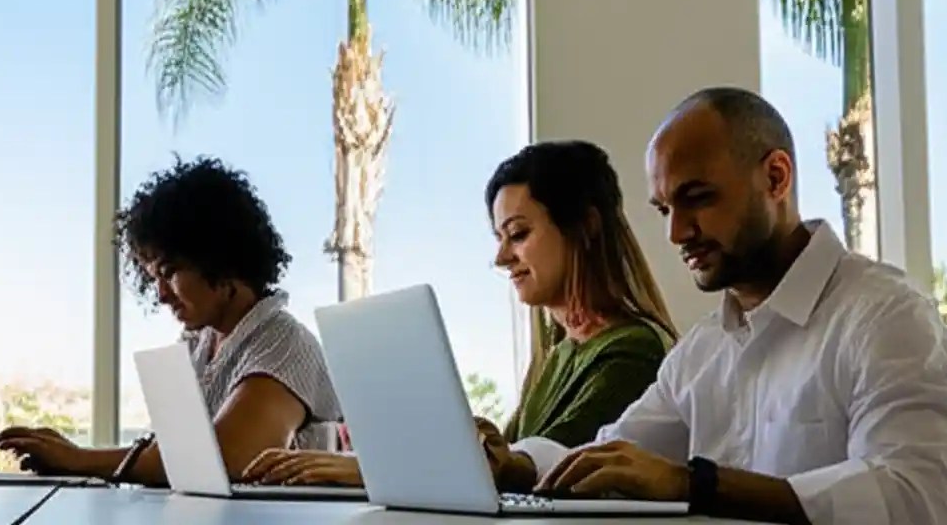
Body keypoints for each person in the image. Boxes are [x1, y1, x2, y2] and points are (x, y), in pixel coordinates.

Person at [490, 87, 947, 525]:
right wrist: (514, 462)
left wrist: (696, 485)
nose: (676, 233)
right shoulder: (702, 352)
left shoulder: (887, 317)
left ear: (775, 178)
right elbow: (609, 455)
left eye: (697, 198)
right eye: (664, 210)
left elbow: (912, 498)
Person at [242, 140, 679, 492]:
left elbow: (544, 466)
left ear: (585, 226)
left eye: (518, 234)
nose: (502, 257)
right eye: (499, 238)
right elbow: (503, 456)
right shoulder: (561, 353)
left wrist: (364, 470)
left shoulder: (634, 349)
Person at [0, 156, 342, 486]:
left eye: (170, 272)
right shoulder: (199, 345)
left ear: (218, 257)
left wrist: (78, 459)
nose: (160, 294)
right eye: (153, 277)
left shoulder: (283, 342)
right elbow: (172, 454)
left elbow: (228, 458)